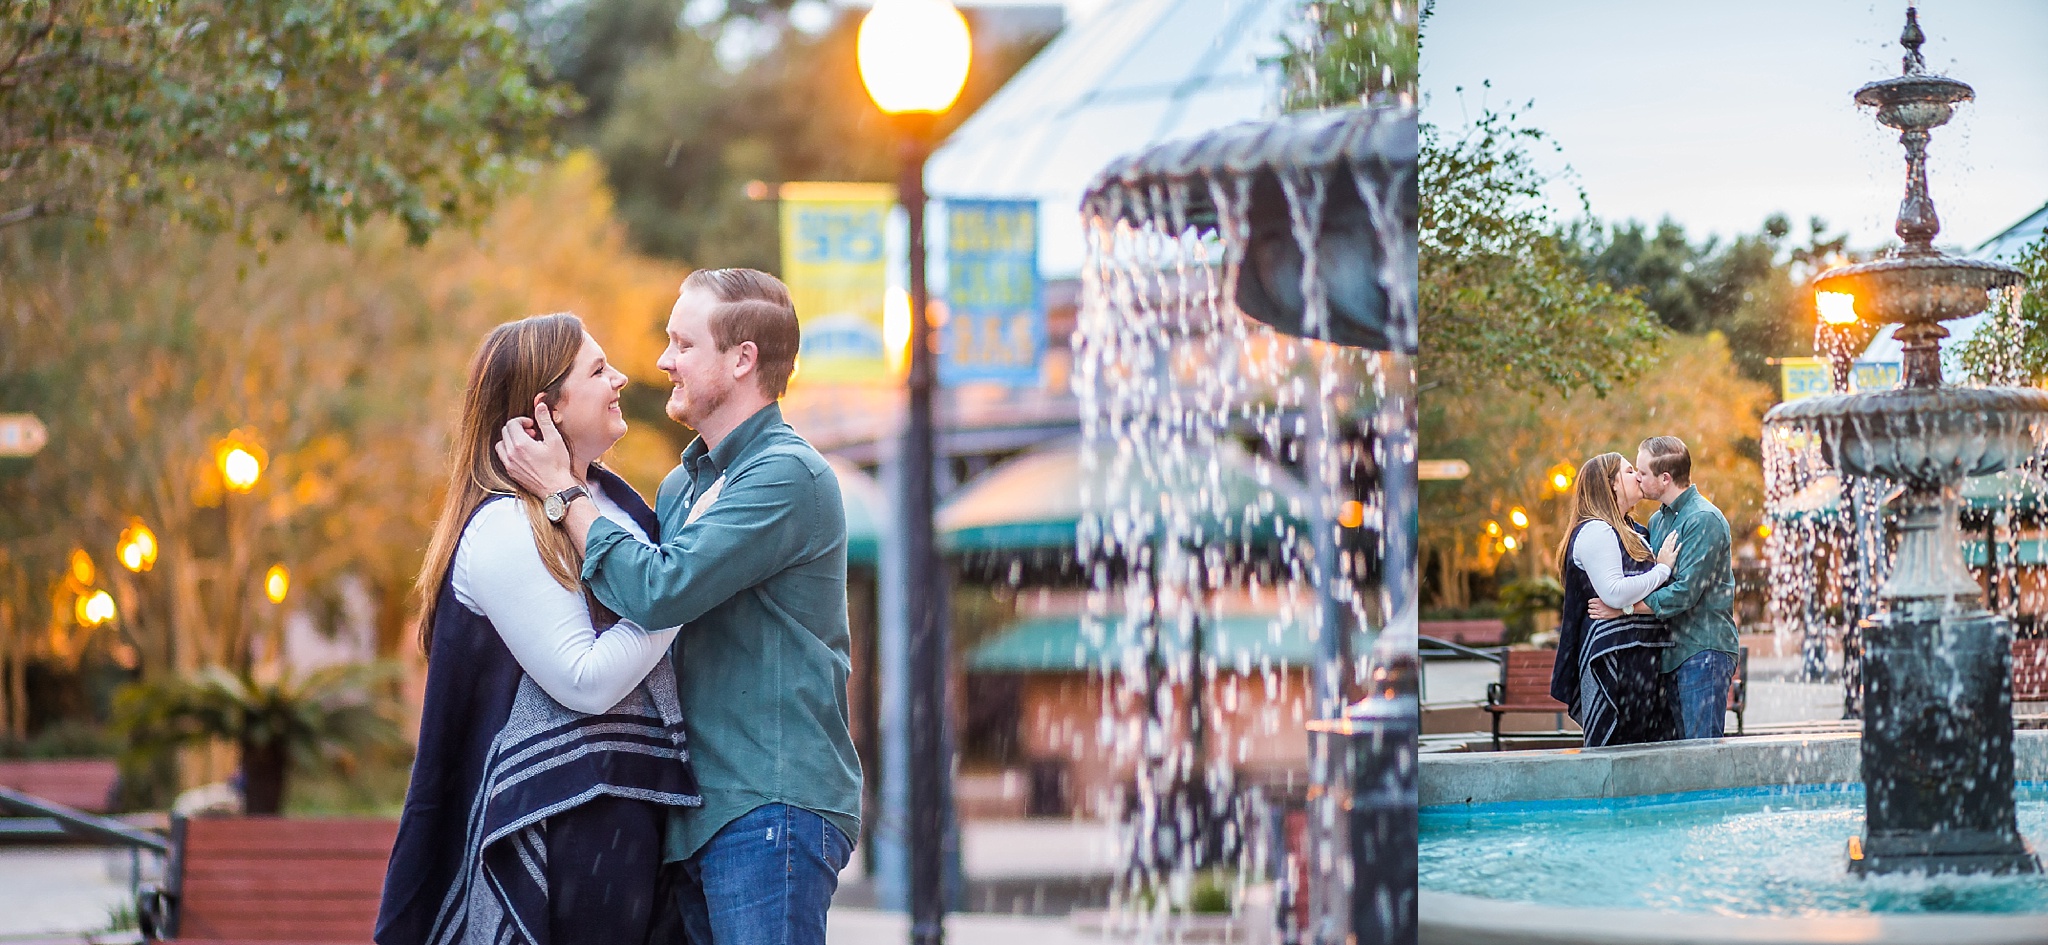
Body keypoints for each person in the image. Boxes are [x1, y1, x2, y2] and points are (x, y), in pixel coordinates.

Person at [498, 268, 860, 945]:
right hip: (698, 815)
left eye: (682, 344)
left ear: (742, 358)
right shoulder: (680, 487)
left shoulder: (786, 474)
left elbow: (658, 591)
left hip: (767, 804)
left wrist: (561, 491)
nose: (662, 362)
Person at [377, 313, 702, 945]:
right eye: (598, 370)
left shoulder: (610, 505)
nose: (621, 379)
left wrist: (671, 580)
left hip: (641, 813)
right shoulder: (501, 529)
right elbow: (585, 680)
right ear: (544, 411)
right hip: (562, 831)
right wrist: (683, 586)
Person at [1588, 435, 1741, 740]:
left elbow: (1684, 593)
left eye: (1642, 473)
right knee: (1676, 760)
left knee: (1702, 755)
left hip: (1703, 651)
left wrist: (1624, 609)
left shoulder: (1703, 519)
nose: (1638, 479)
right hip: (1669, 655)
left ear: (1665, 478)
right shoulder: (1657, 521)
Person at [1550, 452, 1680, 747]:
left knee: (1647, 748)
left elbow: (1622, 598)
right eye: (1629, 470)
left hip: (1640, 656)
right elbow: (1614, 591)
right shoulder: (1597, 530)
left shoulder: (1632, 530)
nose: (1637, 476)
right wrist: (1662, 569)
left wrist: (1625, 609)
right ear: (1611, 485)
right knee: (1621, 748)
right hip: (1617, 660)